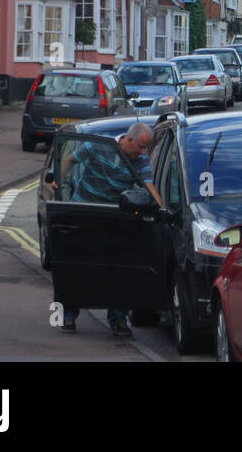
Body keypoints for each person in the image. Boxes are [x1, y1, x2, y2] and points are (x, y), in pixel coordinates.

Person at [53, 122, 161, 337]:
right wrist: (57, 180)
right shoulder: (98, 146)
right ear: (128, 139)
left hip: (115, 218)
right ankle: (67, 315)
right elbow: (70, 160)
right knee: (76, 268)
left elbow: (150, 189)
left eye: (145, 148)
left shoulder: (140, 161)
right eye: (140, 146)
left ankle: (118, 319)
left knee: (119, 272)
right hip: (84, 211)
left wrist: (161, 210)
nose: (143, 152)